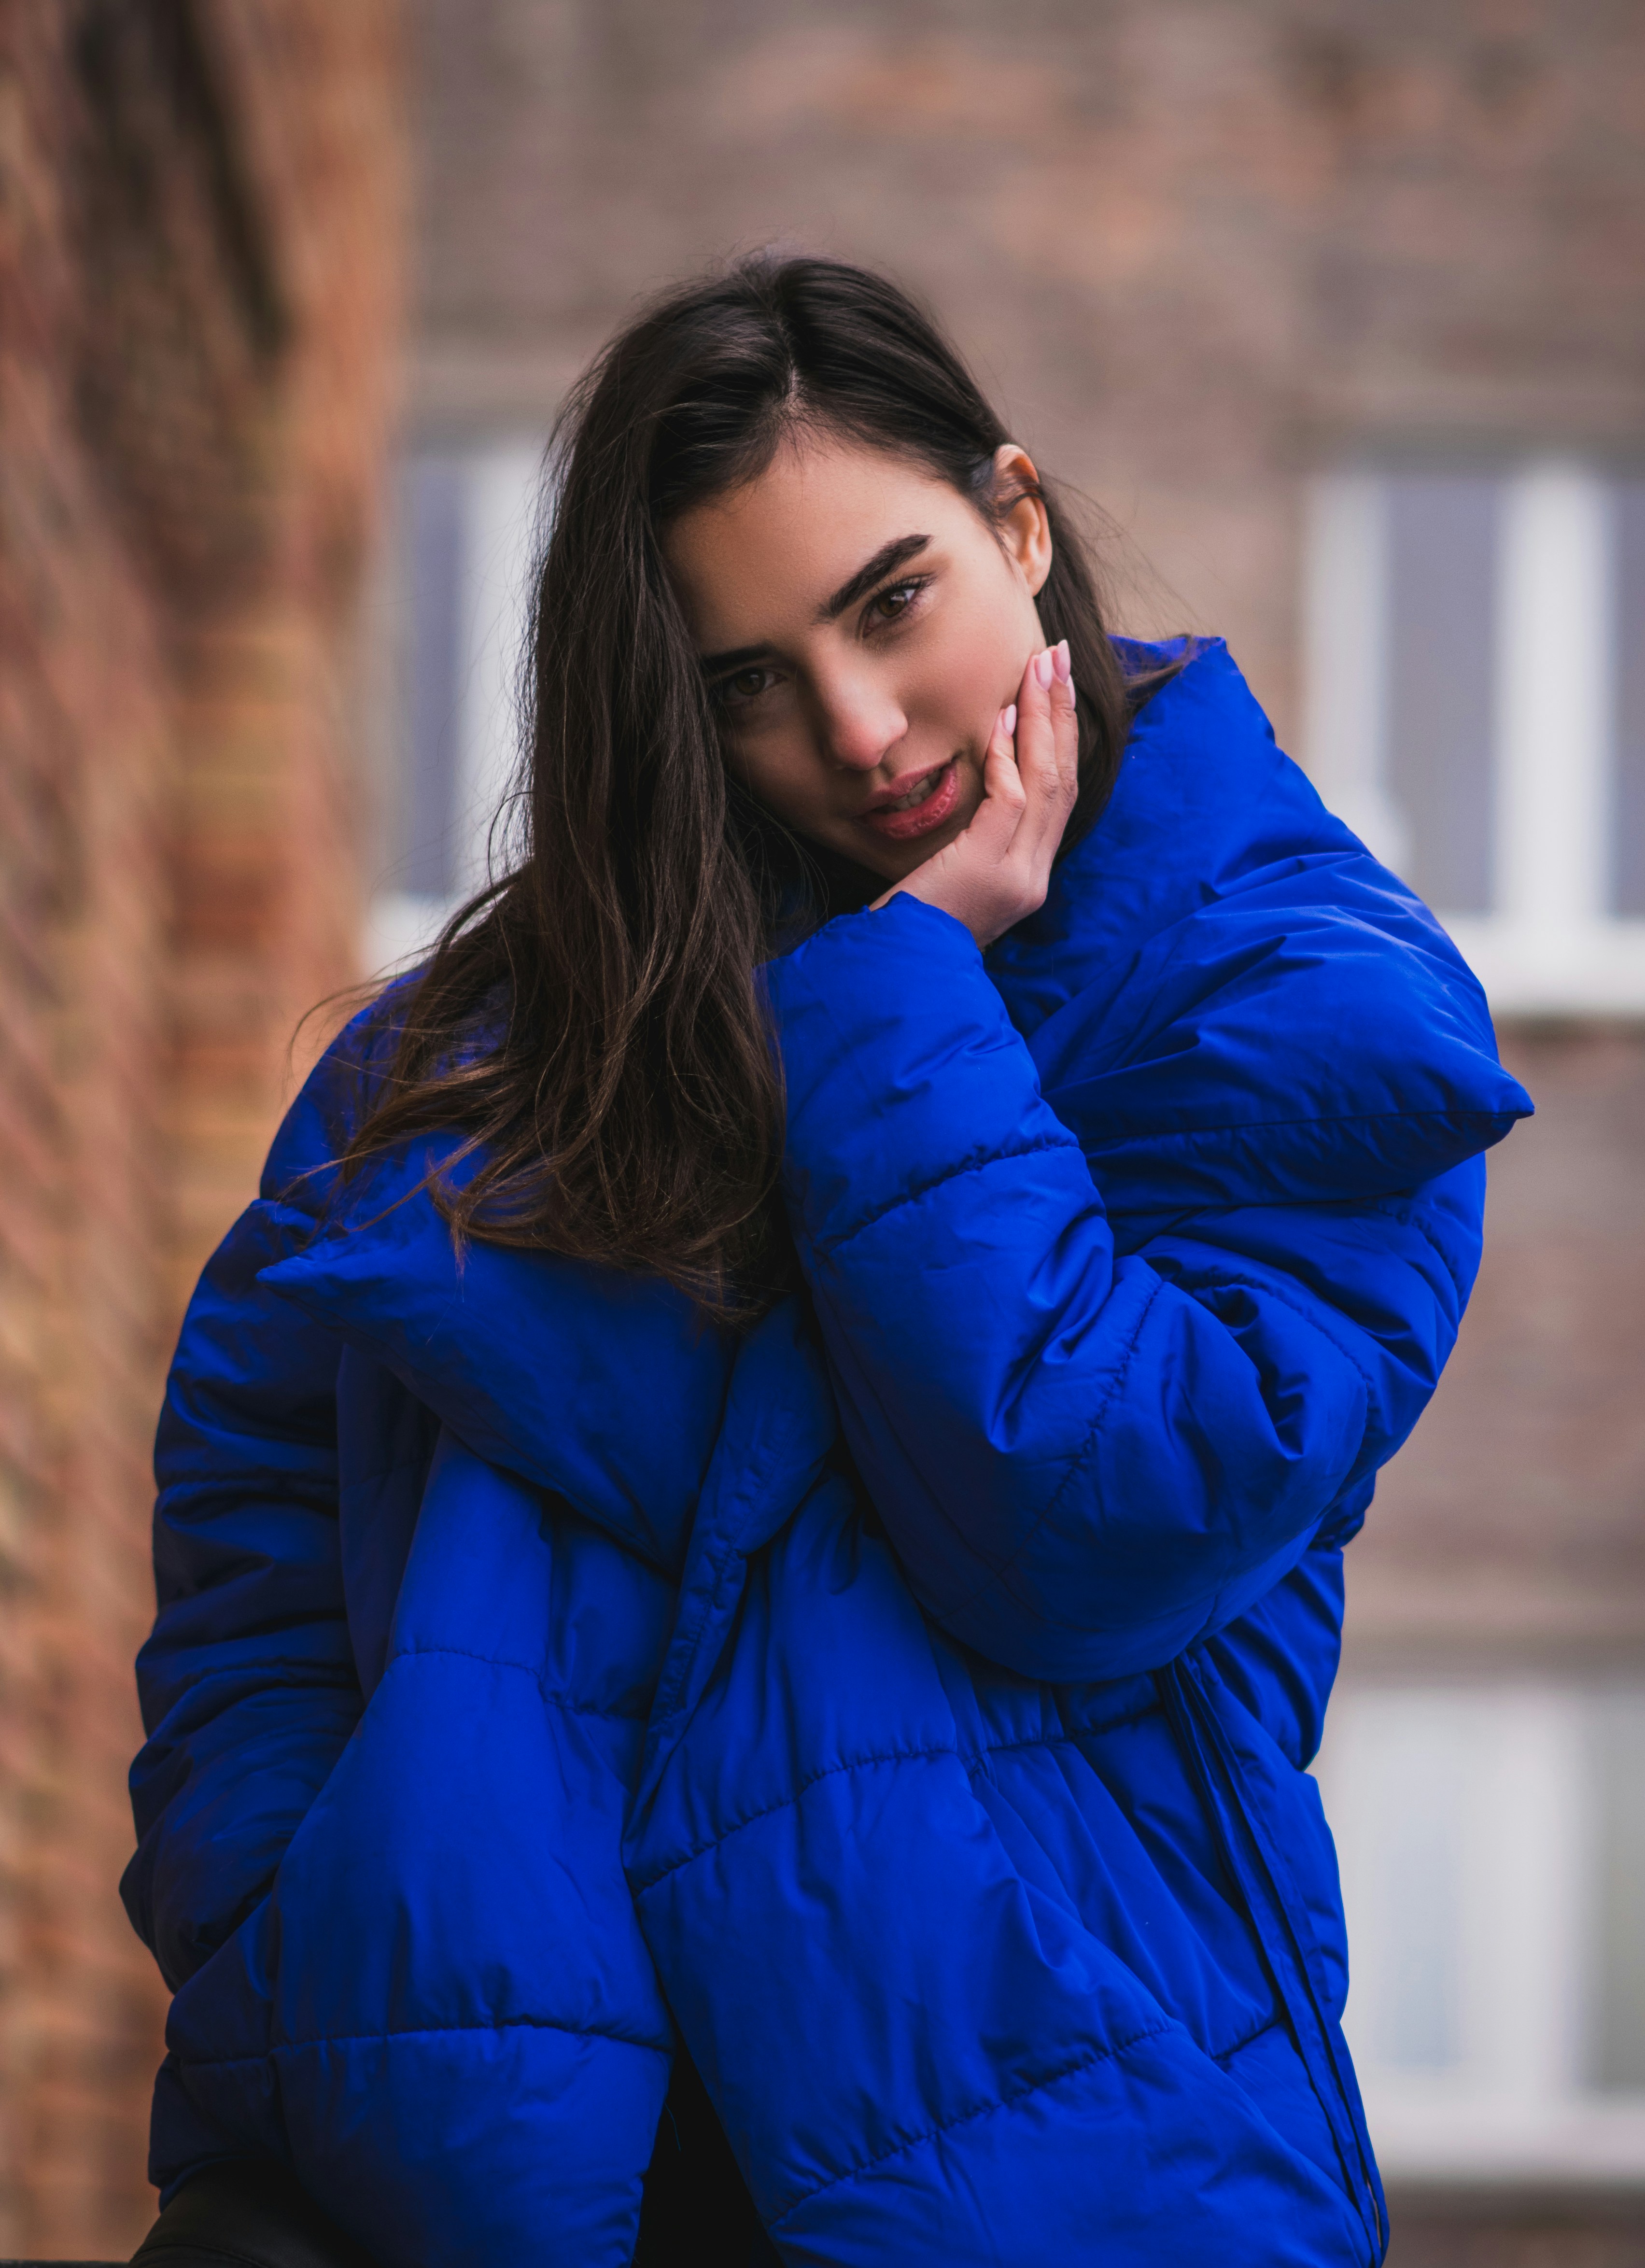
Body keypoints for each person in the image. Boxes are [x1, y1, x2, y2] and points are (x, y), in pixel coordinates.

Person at [122, 254, 1530, 2268]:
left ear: (1017, 522)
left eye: (892, 603)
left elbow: (1092, 1509)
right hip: (461, 2136)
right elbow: (255, 1553)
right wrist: (299, 1929)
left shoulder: (1298, 1002)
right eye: (744, 683)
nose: (858, 731)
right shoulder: (460, 1064)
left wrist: (903, 997)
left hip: (1042, 2132)